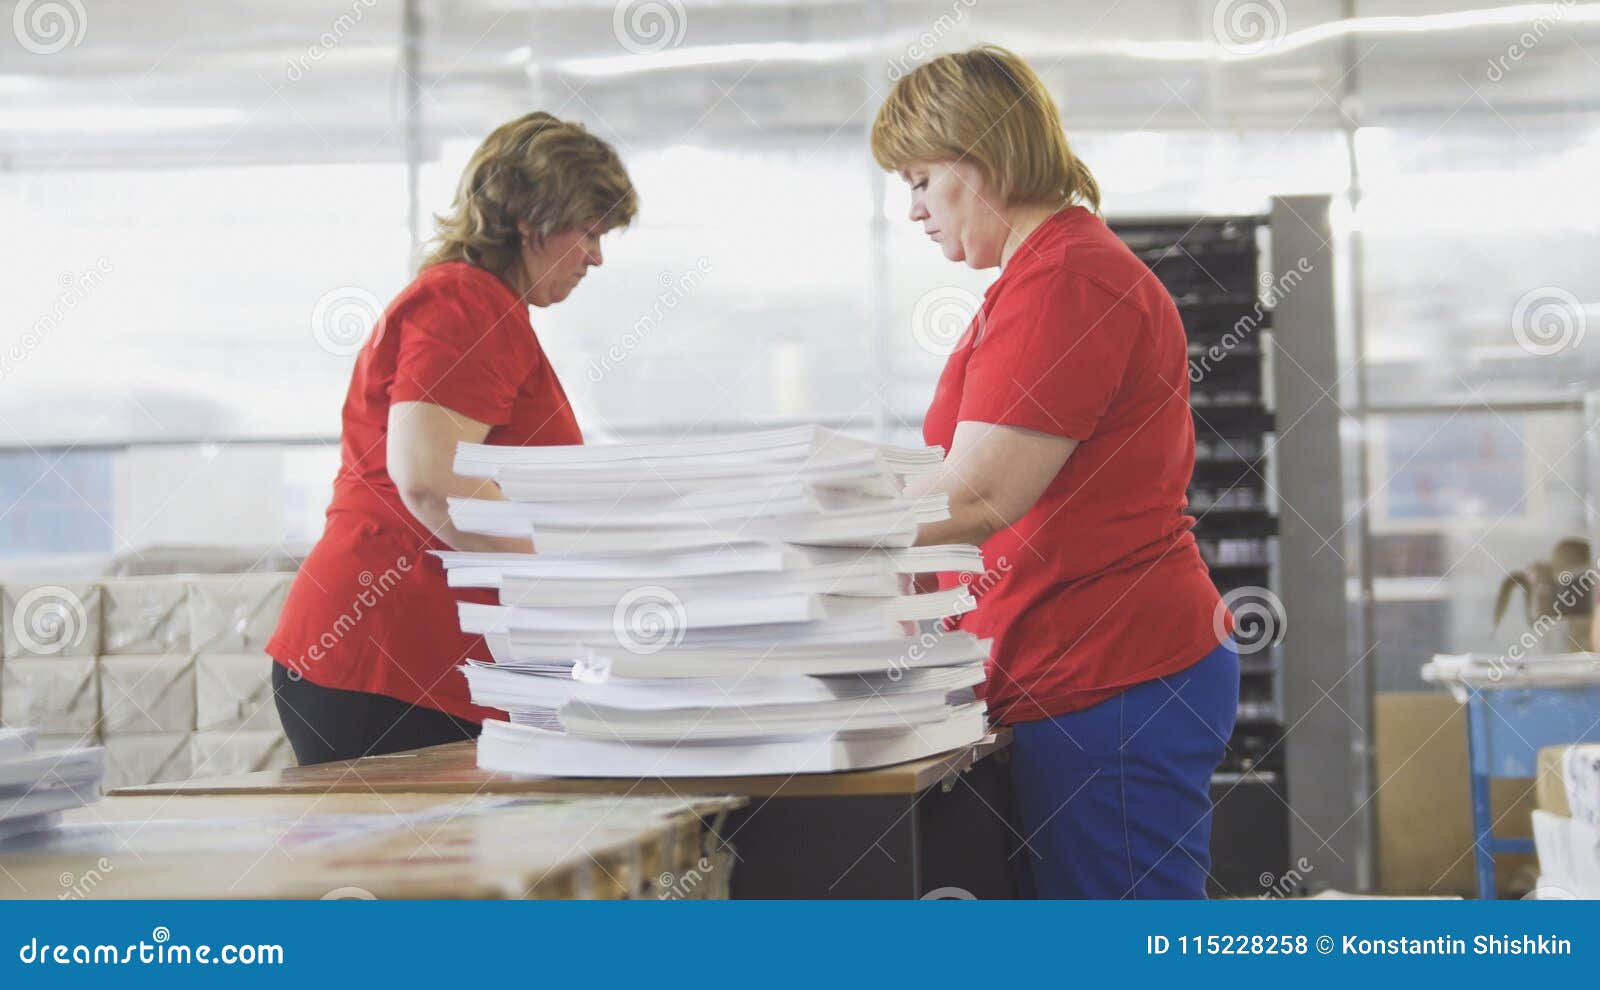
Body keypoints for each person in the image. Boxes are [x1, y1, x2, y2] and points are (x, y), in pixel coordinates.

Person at [872, 46, 1239, 898]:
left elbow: (980, 493)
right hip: (1074, 665)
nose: (916, 210)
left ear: (983, 157)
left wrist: (809, 541)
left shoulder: (1068, 279)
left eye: (923, 179)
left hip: (1112, 669)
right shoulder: (1036, 277)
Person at [265, 112, 637, 765]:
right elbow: (431, 483)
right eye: (590, 232)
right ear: (533, 219)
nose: (598, 257)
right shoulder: (466, 304)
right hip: (390, 658)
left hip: (416, 663)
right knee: (412, 866)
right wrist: (579, 578)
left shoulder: (483, 307)